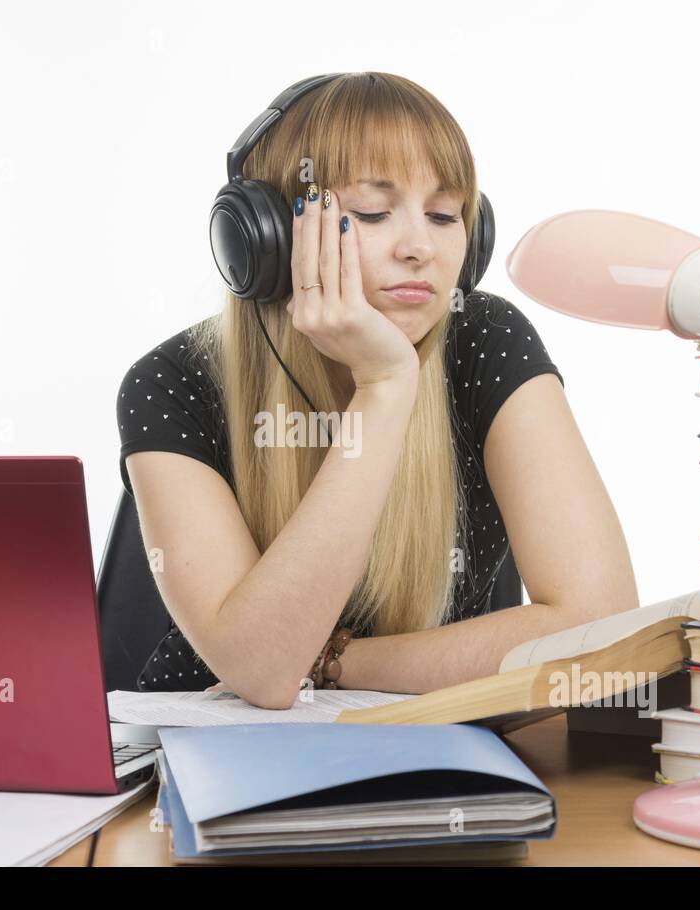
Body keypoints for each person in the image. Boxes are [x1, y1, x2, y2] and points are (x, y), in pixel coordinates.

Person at [116, 72, 637, 709]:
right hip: (205, 763)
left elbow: (601, 633)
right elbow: (263, 670)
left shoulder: (486, 340)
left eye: (445, 215)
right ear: (266, 236)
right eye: (371, 212)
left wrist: (340, 660)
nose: (420, 247)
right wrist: (386, 386)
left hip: (433, 760)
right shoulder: (172, 384)